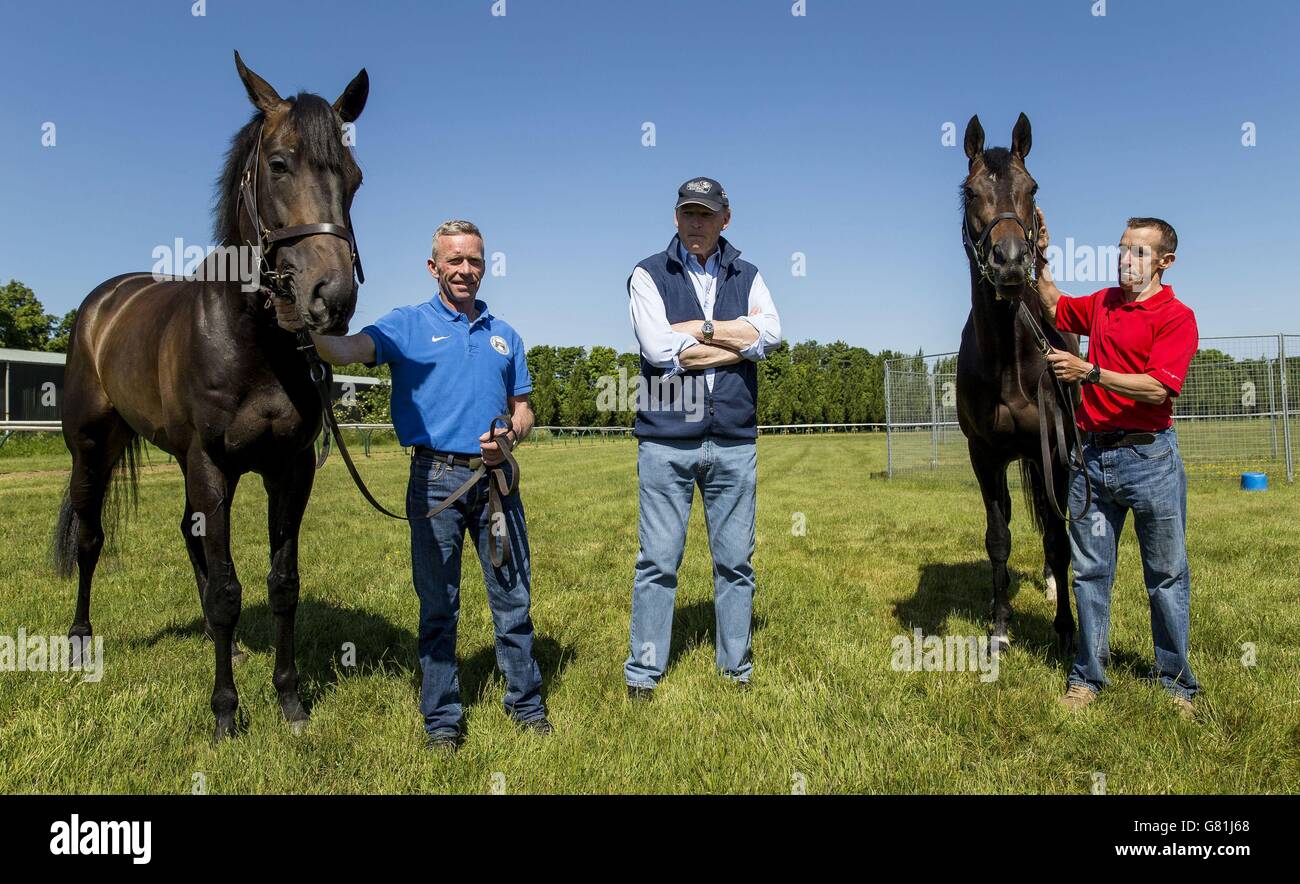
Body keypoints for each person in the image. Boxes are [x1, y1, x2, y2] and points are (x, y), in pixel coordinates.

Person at [274, 219, 551, 750]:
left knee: (513, 599)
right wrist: (305, 321)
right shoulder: (407, 325)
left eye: (473, 260)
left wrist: (510, 436)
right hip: (435, 478)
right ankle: (443, 722)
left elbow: (524, 409)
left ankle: (527, 706)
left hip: (496, 481)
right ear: (434, 267)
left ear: (484, 266)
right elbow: (344, 350)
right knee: (438, 606)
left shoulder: (505, 335)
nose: (464, 270)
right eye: (454, 261)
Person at [1035, 211, 1200, 719]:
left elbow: (1158, 386)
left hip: (1149, 458)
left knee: (1166, 575)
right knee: (1089, 572)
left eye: (1138, 252)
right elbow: (1055, 304)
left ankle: (1177, 685)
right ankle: (1087, 677)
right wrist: (1041, 251)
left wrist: (1091, 372)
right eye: (1122, 248)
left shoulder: (1177, 317)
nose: (1126, 259)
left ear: (1164, 262)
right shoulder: (1103, 302)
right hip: (1092, 457)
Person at [623, 177, 783, 698]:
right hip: (667, 441)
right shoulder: (647, 274)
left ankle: (735, 670)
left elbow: (774, 335)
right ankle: (645, 674)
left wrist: (701, 330)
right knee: (658, 562)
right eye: (689, 213)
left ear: (725, 219)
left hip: (734, 438)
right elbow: (659, 351)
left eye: (707, 214)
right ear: (676, 217)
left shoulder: (750, 274)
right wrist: (739, 337)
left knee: (736, 562)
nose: (697, 223)